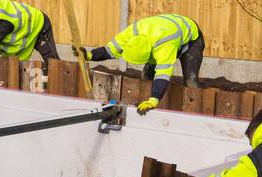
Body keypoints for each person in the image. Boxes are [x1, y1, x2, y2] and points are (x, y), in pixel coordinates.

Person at [75, 14, 203, 114]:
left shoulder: (165, 44)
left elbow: (163, 73)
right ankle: (145, 100)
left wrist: (154, 100)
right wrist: (89, 55)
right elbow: (110, 50)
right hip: (163, 28)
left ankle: (196, 112)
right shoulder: (131, 33)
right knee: (147, 74)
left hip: (190, 37)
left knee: (190, 81)